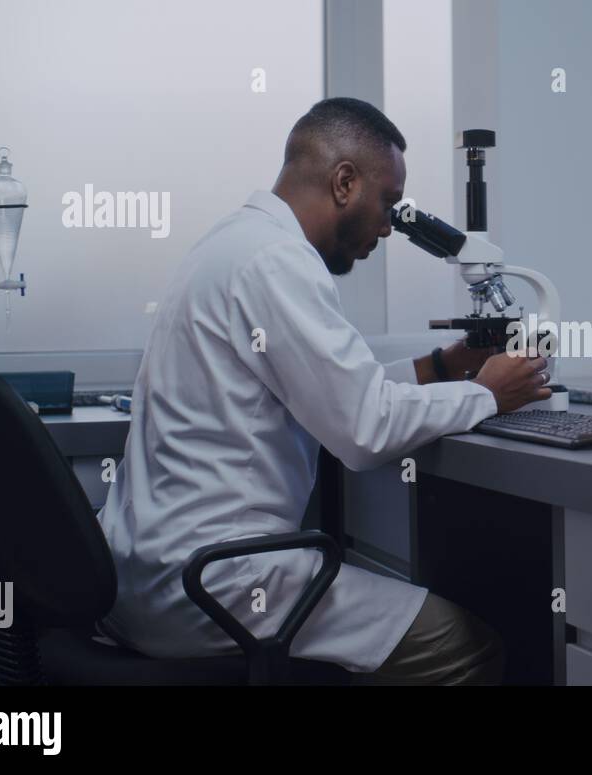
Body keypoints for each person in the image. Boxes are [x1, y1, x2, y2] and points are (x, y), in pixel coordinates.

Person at [95, 97, 550, 685]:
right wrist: (489, 394)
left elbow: (331, 390)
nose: (390, 226)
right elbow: (363, 431)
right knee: (469, 648)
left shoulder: (232, 244)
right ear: (343, 182)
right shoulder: (279, 261)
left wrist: (441, 366)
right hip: (218, 582)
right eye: (387, 203)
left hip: (149, 575)